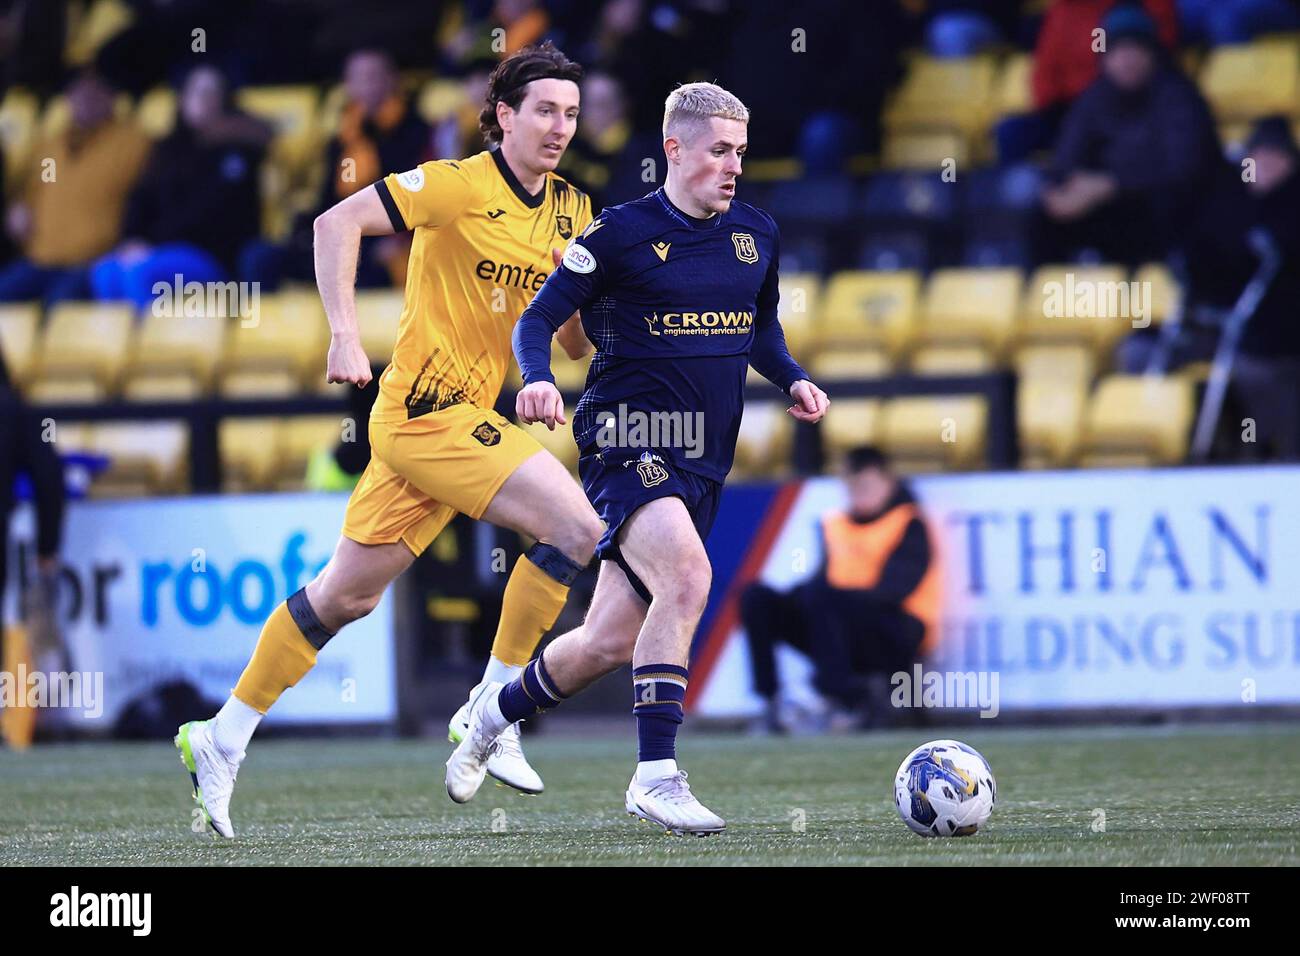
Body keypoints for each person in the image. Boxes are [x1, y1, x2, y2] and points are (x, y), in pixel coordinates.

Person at [174, 43, 607, 839]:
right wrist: (344, 335)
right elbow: (335, 221)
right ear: (504, 114)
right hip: (421, 411)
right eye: (544, 109)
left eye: (571, 113)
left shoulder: (576, 212)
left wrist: (572, 294)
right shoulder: (454, 183)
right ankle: (493, 709)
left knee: (345, 596)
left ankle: (220, 736)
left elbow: (576, 343)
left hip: (465, 416)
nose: (560, 126)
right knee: (577, 527)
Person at [445, 82, 830, 835]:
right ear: (674, 151)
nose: (733, 167)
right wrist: (536, 382)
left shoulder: (756, 233)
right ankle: (656, 775)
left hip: (701, 459)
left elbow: (760, 329)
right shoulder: (619, 234)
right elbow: (538, 318)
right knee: (688, 576)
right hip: (625, 438)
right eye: (719, 151)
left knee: (609, 639)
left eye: (741, 153)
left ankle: (490, 714)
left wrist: (794, 377)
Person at [741, 446, 940, 734]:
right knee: (757, 598)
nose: (859, 493)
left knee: (821, 598)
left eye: (866, 485)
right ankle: (771, 702)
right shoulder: (838, 524)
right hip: (837, 625)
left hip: (897, 631)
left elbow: (894, 592)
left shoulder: (908, 522)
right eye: (852, 486)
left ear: (889, 482)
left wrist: (830, 597)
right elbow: (822, 581)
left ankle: (843, 694)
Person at [1037, 4, 1219, 268]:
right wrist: (1059, 191)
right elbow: (1067, 157)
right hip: (1105, 207)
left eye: (1136, 50)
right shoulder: (1093, 99)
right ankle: (1037, 298)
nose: (1127, 59)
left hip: (1162, 211)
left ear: (1152, 53)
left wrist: (1112, 184)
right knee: (1042, 216)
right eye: (1118, 51)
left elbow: (1185, 170)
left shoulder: (1179, 97)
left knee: (1158, 210)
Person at [90, 64, 272, 309]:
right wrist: (133, 239)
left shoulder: (238, 152)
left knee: (140, 274)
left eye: (210, 93)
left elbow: (218, 214)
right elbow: (141, 200)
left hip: (211, 257)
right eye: (194, 91)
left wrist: (153, 246)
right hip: (160, 251)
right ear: (182, 97)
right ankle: (119, 346)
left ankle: (151, 344)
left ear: (224, 100)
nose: (202, 100)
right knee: (105, 272)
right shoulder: (167, 150)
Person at [0, 70, 150, 304]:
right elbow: (40, 188)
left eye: (94, 92)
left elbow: (147, 196)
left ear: (111, 96)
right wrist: (20, 209)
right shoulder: (52, 147)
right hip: (41, 257)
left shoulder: (132, 144)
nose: (85, 99)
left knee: (60, 307)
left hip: (93, 259)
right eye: (78, 92)